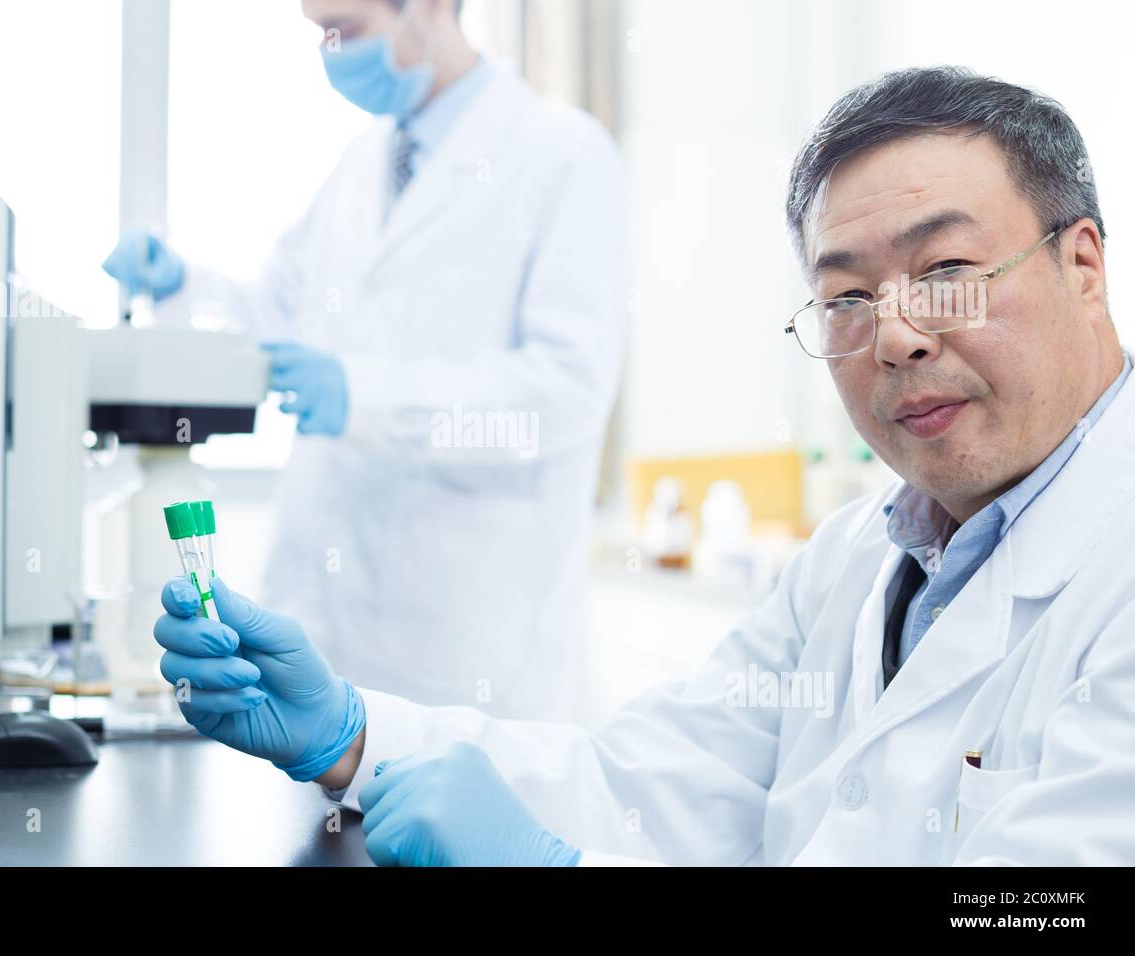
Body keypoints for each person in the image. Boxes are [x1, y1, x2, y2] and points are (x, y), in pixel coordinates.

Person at [155, 65, 1135, 866]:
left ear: (1082, 265)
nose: (894, 335)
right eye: (844, 297)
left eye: (947, 274)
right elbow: (652, 784)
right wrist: (352, 734)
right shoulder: (860, 556)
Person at [107, 0, 627, 720]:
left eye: (346, 29)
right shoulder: (361, 164)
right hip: (325, 628)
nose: (330, 50)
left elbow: (564, 392)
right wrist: (184, 286)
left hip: (467, 647)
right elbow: (273, 316)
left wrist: (366, 398)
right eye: (319, 31)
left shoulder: (563, 154)